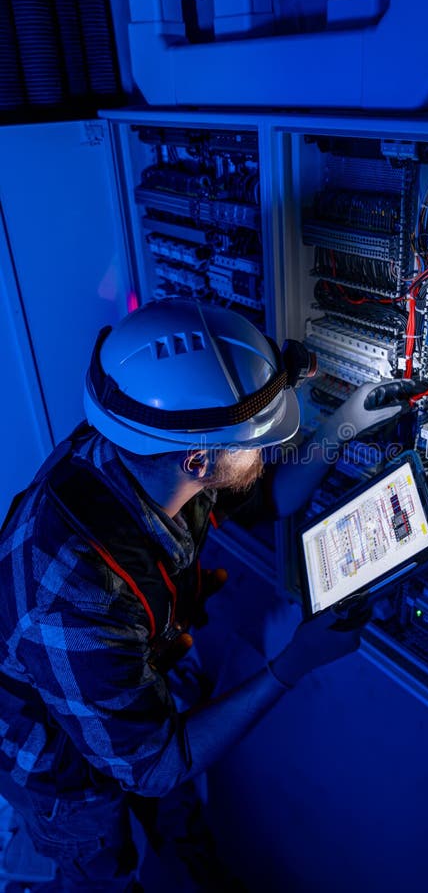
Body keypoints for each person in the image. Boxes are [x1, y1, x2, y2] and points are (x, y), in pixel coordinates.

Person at [0, 297, 405, 891]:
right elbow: (158, 765)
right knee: (103, 870)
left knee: (183, 831)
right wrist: (292, 663)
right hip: (62, 771)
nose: (264, 452)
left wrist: (344, 424)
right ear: (198, 459)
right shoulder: (74, 597)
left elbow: (270, 500)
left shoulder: (142, 447)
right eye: (254, 442)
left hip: (128, 696)